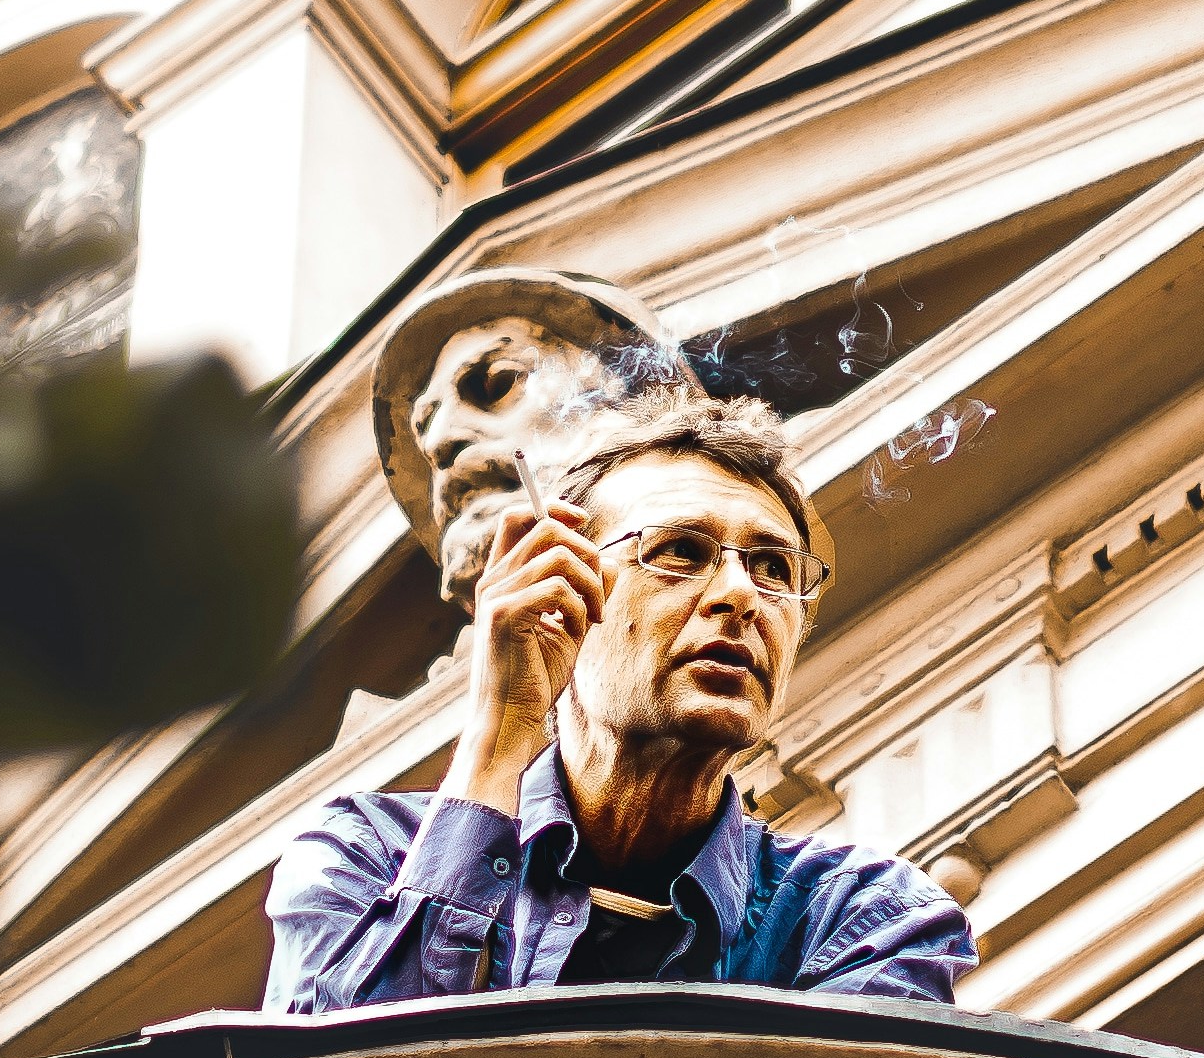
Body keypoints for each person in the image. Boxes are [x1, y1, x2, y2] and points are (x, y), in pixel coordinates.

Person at [259, 280, 969, 1010]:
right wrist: (497, 738)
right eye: (681, 551)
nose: (741, 595)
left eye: (774, 569)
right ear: (563, 588)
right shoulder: (365, 858)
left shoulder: (863, 917)